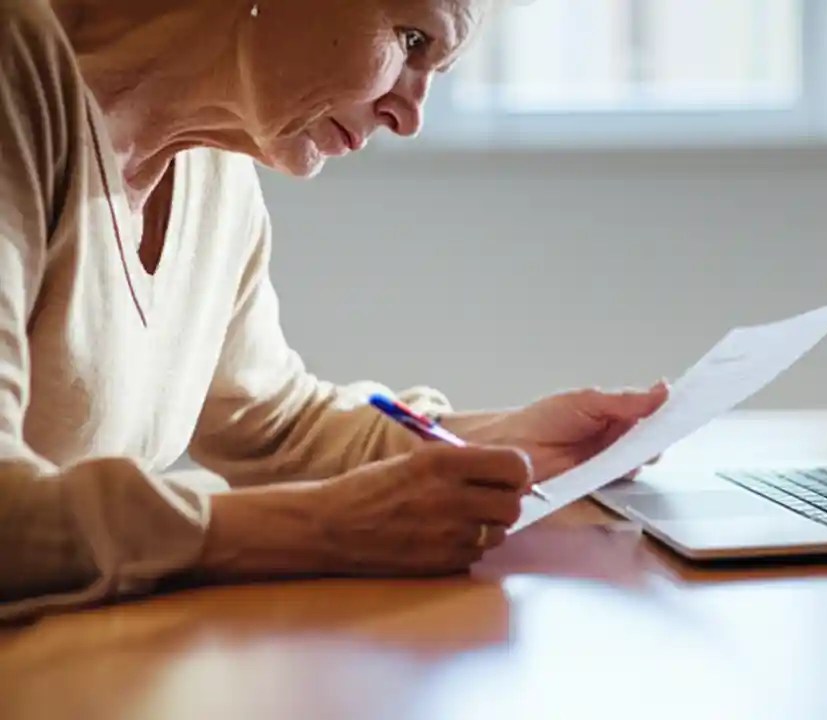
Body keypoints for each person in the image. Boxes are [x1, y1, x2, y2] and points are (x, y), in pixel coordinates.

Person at [0, 0, 668, 620]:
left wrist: (493, 442)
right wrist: (318, 529)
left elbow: (277, 425)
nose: (409, 117)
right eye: (411, 40)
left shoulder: (214, 181)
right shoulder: (15, 65)